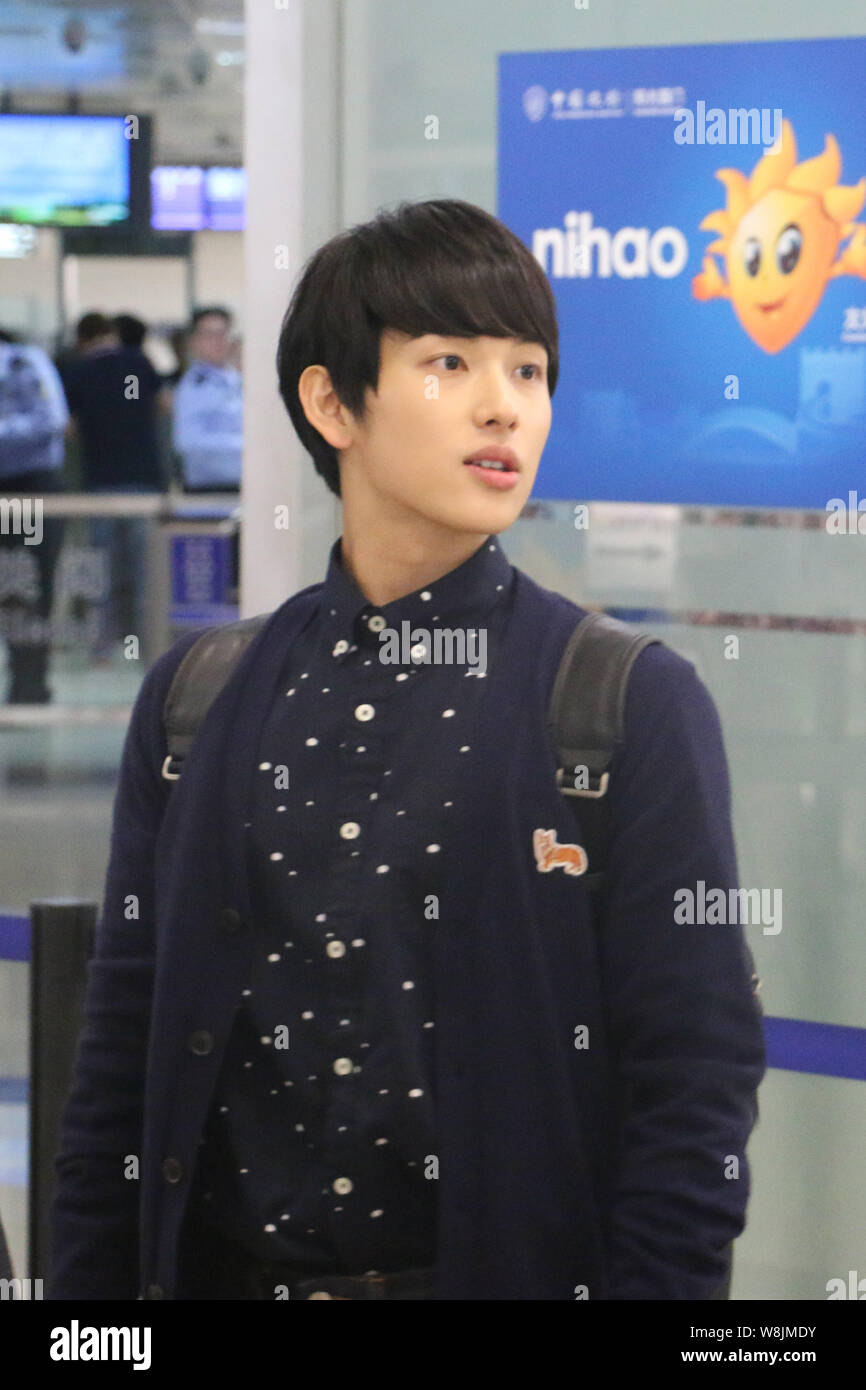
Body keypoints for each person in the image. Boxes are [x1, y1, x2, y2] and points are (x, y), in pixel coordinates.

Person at [48, 199, 765, 1301]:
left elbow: (694, 1077)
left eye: (528, 372)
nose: (503, 408)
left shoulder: (620, 702)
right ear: (331, 402)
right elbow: (121, 1063)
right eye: (448, 362)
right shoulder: (201, 696)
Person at [60, 312, 170, 657]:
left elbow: (69, 428)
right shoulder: (140, 362)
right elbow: (164, 407)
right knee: (143, 570)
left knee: (101, 570)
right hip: (143, 482)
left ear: (82, 341)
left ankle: (101, 649)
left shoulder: (77, 372)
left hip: (99, 485)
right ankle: (145, 645)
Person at [0, 327, 68, 704]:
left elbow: (51, 420)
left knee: (24, 586)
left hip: (27, 485)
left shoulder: (25, 363)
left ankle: (28, 682)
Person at [171, 306, 243, 492]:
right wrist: (244, 444)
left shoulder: (238, 381)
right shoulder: (193, 387)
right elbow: (187, 441)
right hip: (208, 489)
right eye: (209, 335)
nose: (218, 341)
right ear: (195, 342)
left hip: (244, 488)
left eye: (223, 333)